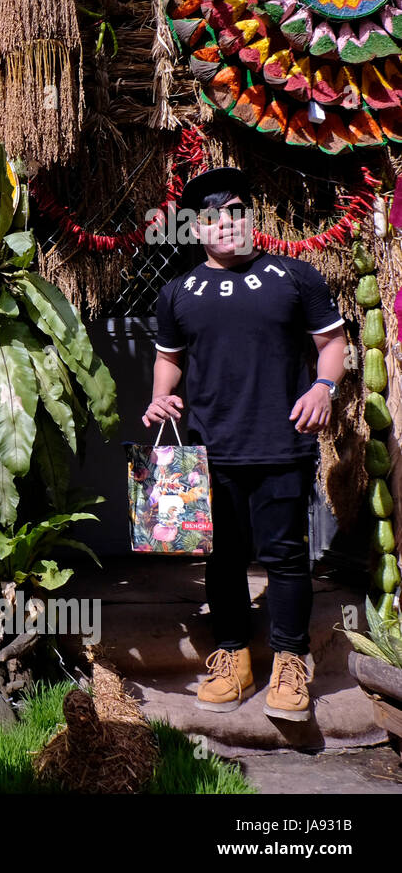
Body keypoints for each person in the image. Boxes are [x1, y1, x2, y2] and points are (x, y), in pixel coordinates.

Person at [142, 167, 347, 722]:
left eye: (235, 210)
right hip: (210, 449)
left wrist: (324, 387)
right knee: (223, 556)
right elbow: (169, 359)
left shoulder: (296, 277)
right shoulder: (177, 294)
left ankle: (289, 660)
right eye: (211, 217)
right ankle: (232, 655)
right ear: (193, 228)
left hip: (284, 443)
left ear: (250, 215)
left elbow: (332, 343)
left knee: (284, 557)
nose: (226, 224)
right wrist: (160, 398)